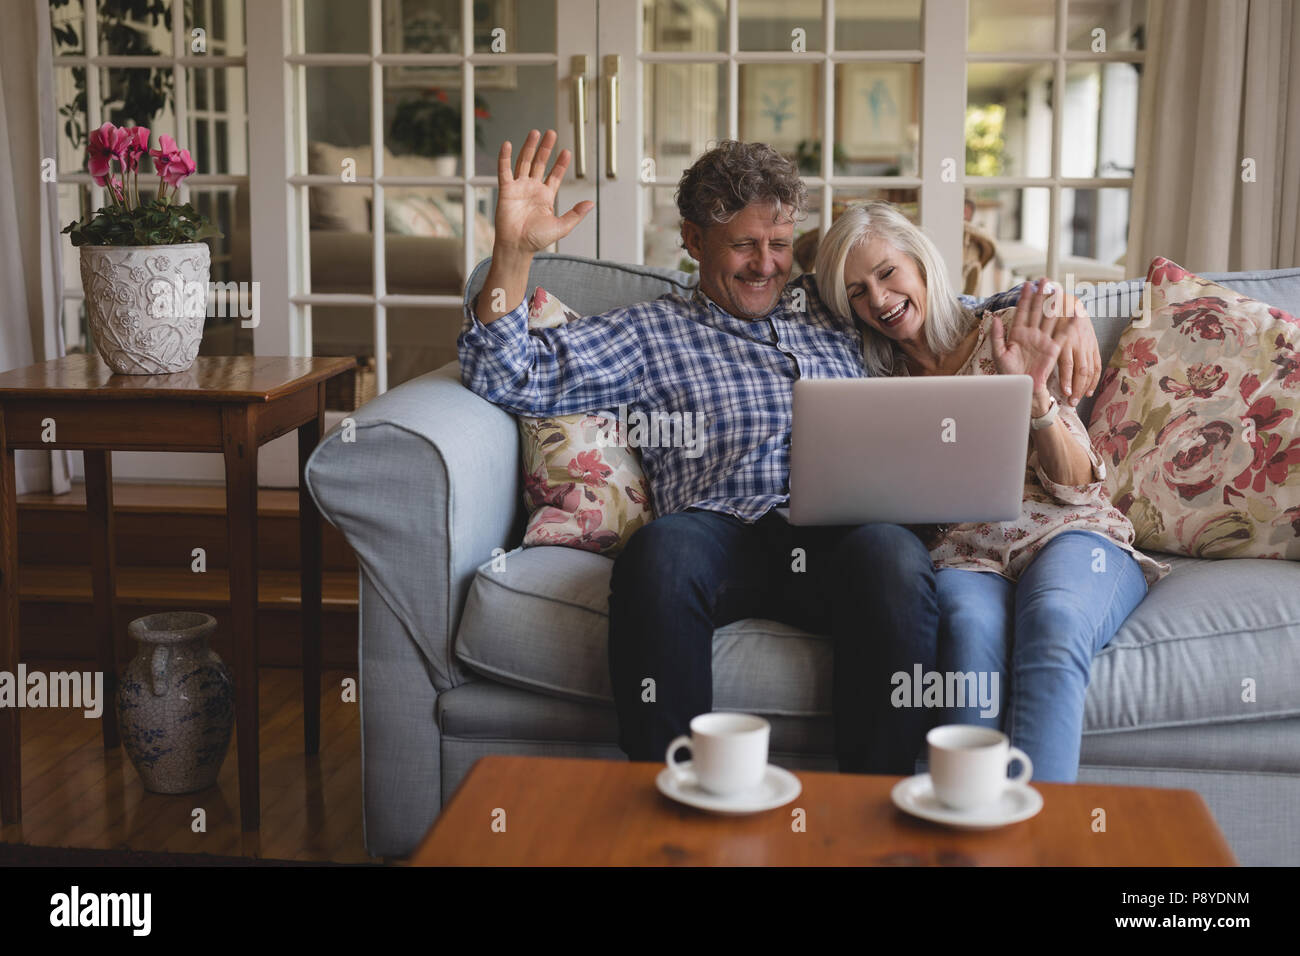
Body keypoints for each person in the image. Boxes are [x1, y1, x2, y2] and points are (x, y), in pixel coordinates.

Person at [458, 129, 1103, 773]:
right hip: (720, 529)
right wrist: (511, 256)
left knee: (893, 556)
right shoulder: (652, 330)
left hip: (843, 533)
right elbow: (508, 374)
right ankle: (673, 793)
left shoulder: (832, 309)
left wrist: (1058, 306)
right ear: (693, 240)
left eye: (778, 245)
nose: (766, 264)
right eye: (743, 245)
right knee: (659, 553)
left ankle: (871, 813)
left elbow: (937, 308)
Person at [814, 201, 1169, 782]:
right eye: (856, 292)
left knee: (1053, 621)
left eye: (886, 273)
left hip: (1069, 533)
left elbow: (1079, 490)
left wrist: (1036, 402)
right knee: (967, 635)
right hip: (965, 558)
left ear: (922, 264)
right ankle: (971, 824)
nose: (877, 299)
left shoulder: (1007, 336)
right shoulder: (875, 388)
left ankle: (1033, 841)